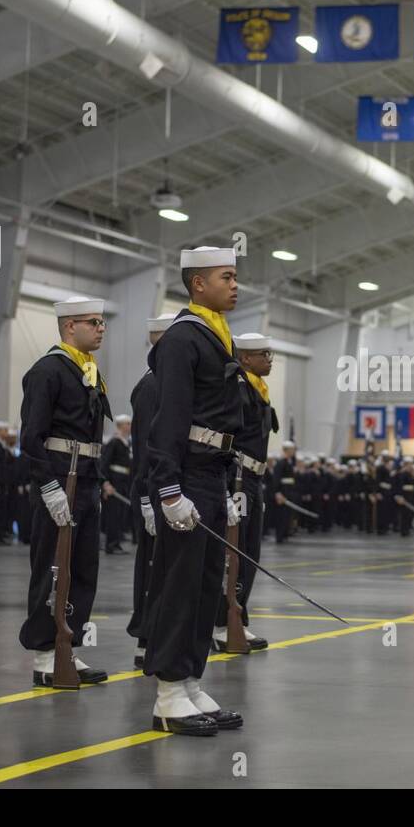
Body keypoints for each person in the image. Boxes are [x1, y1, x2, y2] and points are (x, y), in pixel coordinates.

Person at [145, 245, 244, 736]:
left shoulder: (218, 336)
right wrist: (167, 489)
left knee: (206, 586)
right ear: (198, 283)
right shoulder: (186, 338)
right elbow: (169, 419)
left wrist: (223, 482)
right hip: (185, 473)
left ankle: (188, 678)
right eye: (226, 276)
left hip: (211, 472)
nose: (235, 284)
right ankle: (166, 691)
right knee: (179, 584)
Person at [17, 296, 112, 687]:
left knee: (82, 568)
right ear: (69, 327)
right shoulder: (49, 371)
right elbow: (31, 438)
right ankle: (44, 652)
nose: (101, 328)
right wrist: (49, 486)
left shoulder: (88, 371)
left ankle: (67, 645)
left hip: (86, 479)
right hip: (60, 479)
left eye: (102, 322)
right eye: (93, 322)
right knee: (52, 567)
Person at [213, 331, 277, 653]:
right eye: (263, 354)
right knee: (233, 552)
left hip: (253, 478)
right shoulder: (236, 388)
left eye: (270, 354)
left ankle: (238, 617)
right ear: (245, 358)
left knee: (249, 551)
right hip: (236, 476)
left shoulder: (258, 389)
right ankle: (224, 622)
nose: (269, 360)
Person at [128, 313, 175, 669]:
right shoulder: (151, 386)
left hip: (164, 488)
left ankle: (158, 632)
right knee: (151, 564)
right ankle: (145, 636)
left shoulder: (167, 381)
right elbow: (144, 449)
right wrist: (146, 500)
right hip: (153, 490)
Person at [100, 415, 133, 554]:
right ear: (121, 425)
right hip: (114, 482)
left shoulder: (126, 443)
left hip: (123, 481)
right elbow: (104, 463)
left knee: (119, 514)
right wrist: (106, 483)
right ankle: (111, 544)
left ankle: (116, 542)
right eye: (128, 424)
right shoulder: (114, 442)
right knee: (113, 514)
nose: (130, 426)